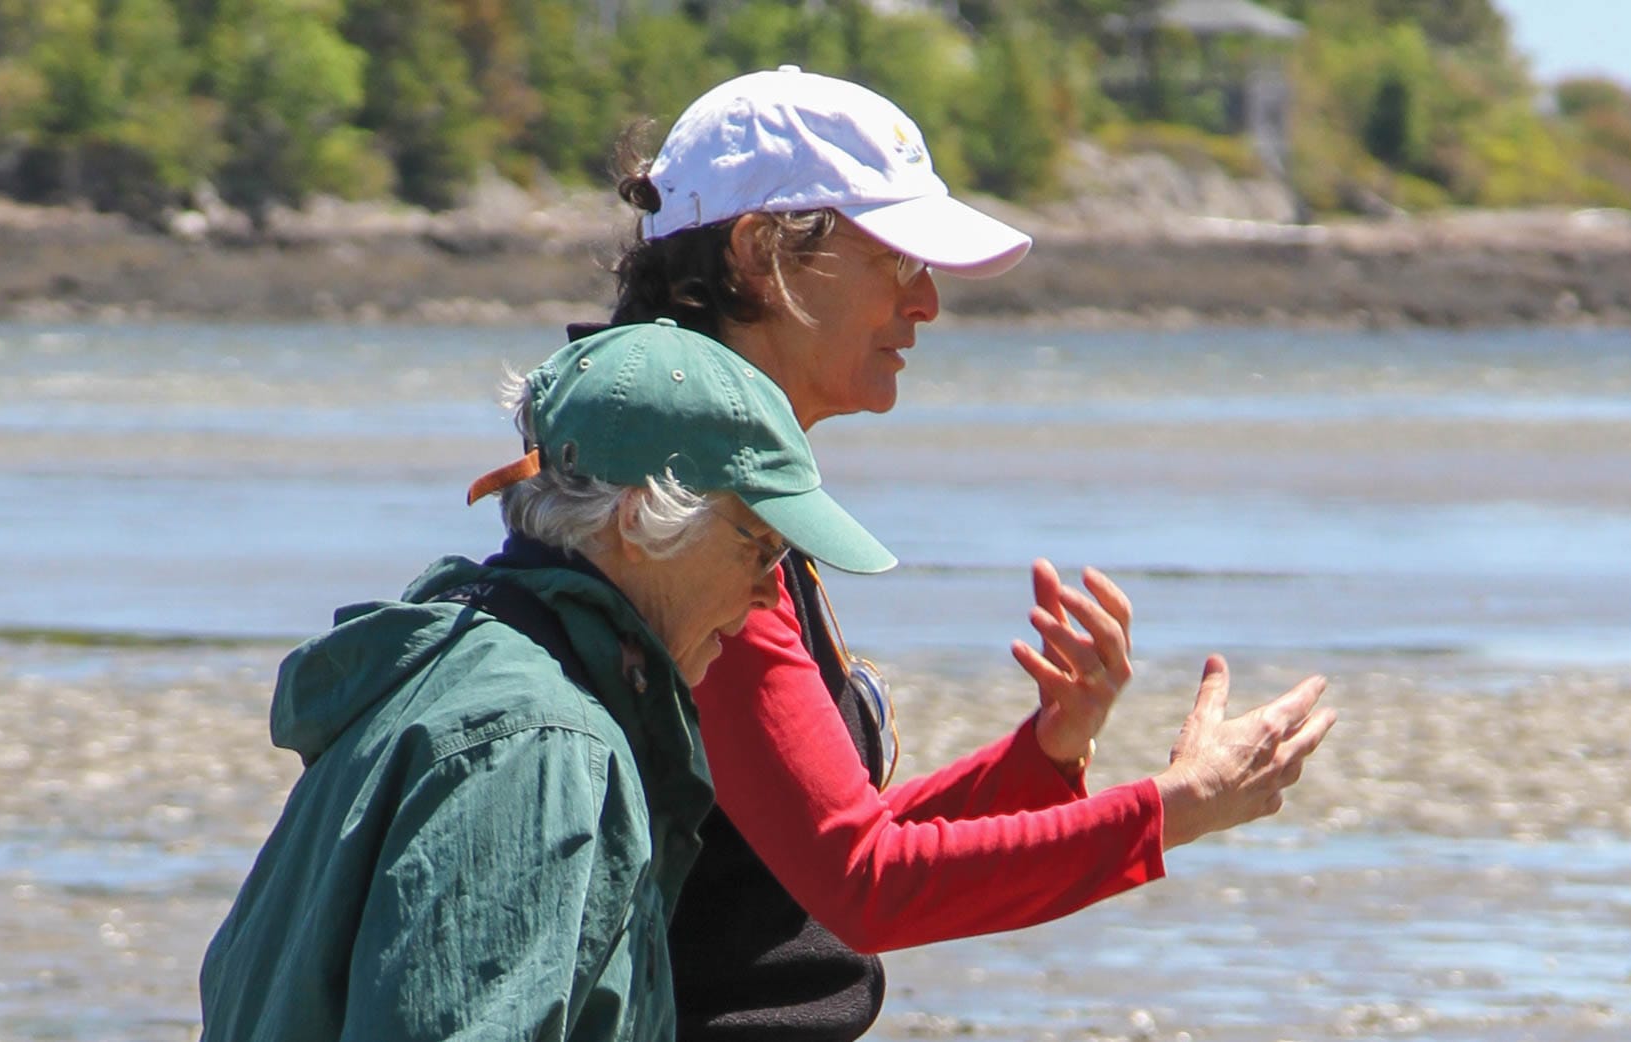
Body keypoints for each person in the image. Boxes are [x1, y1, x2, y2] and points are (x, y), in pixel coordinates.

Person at [588, 66, 1345, 1041]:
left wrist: (1045, 758)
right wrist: (1173, 807)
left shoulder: (676, 456)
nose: (928, 302)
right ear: (759, 255)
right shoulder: (685, 508)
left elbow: (813, 842)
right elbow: (862, 883)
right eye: (895, 259)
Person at [198, 322, 897, 1042]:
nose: (767, 595)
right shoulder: (537, 741)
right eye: (760, 550)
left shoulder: (445, 671)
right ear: (641, 518)